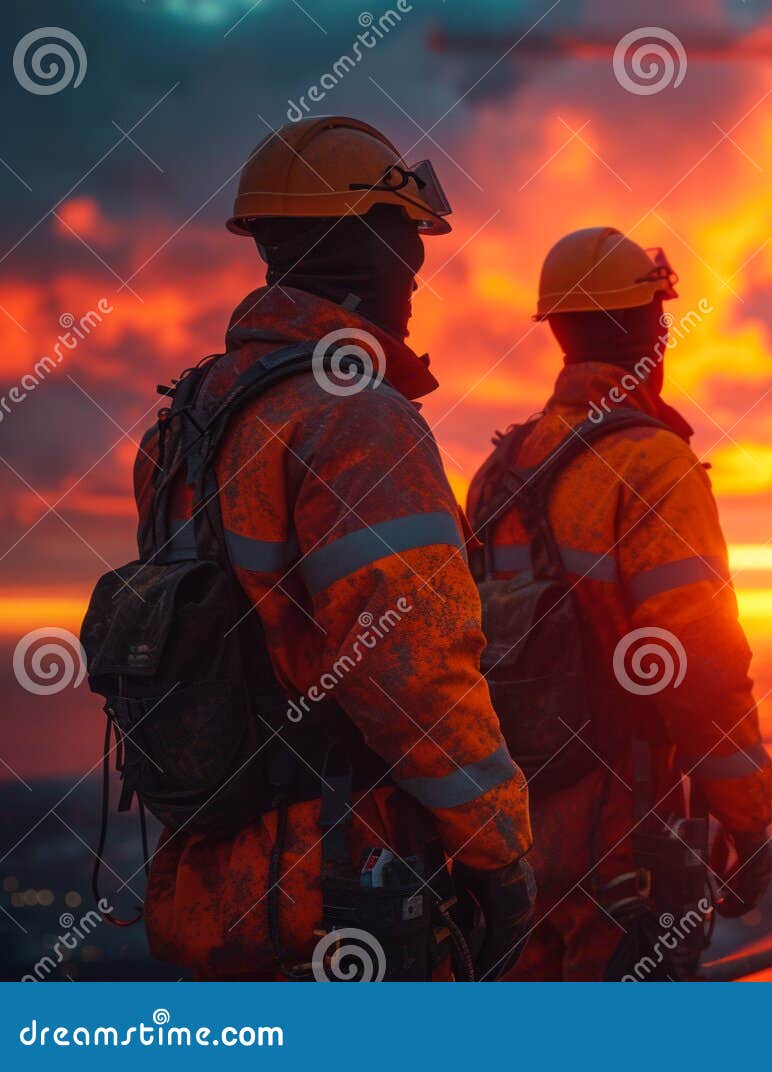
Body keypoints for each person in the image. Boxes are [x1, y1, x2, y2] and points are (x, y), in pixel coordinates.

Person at [98, 117, 534, 979]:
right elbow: (414, 672)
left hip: (212, 890)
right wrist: (500, 848)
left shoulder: (185, 422)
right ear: (367, 247)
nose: (416, 270)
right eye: (407, 238)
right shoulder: (358, 420)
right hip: (338, 888)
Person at [465, 227, 772, 980]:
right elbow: (700, 672)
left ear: (560, 333)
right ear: (655, 330)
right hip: (622, 852)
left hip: (510, 857)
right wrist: (747, 818)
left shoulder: (497, 474)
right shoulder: (653, 468)